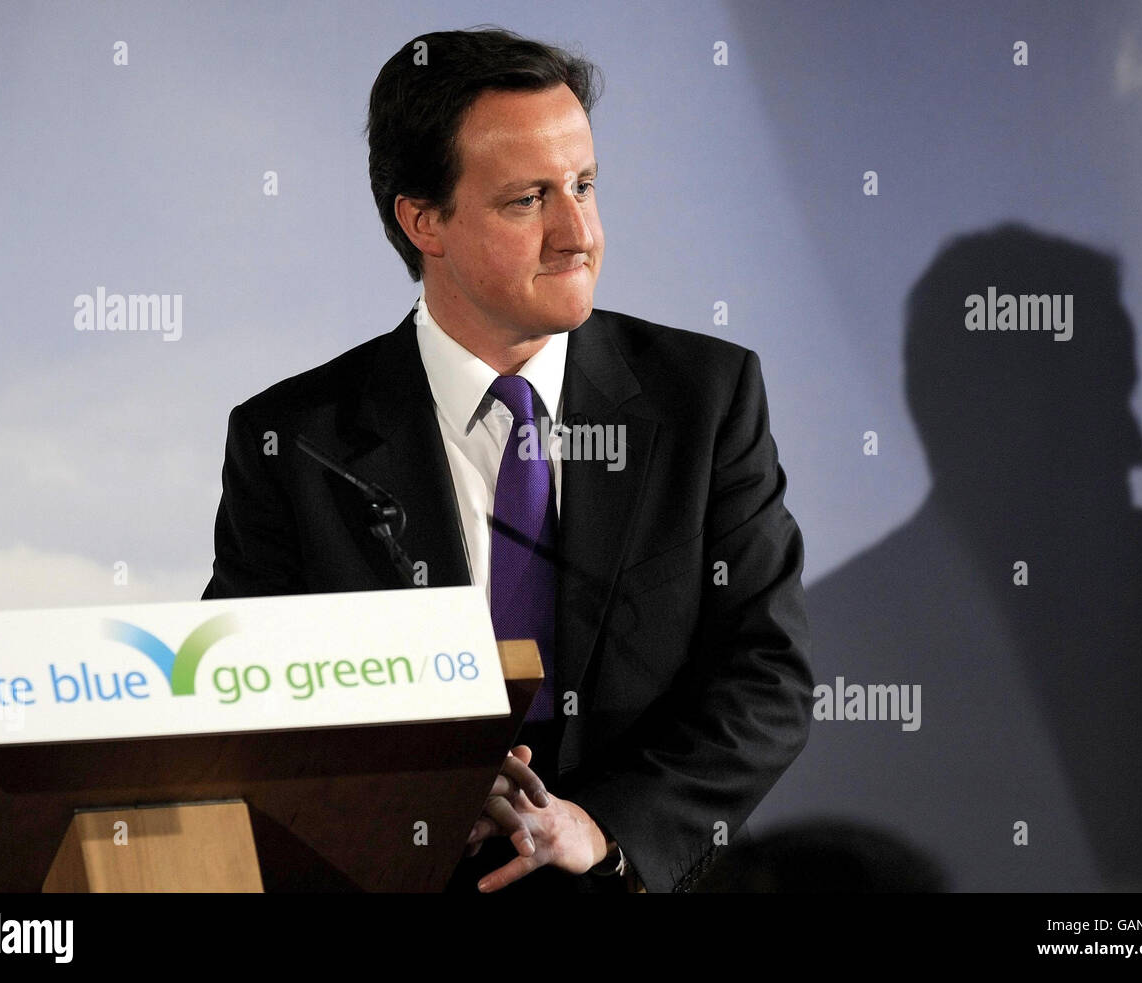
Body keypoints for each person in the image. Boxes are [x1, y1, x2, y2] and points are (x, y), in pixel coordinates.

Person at [202, 26, 813, 893]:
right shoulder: (292, 442)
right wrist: (407, 800)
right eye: (529, 199)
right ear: (424, 221)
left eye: (585, 186)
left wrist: (603, 826)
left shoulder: (705, 400)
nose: (578, 234)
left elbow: (767, 673)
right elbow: (241, 708)